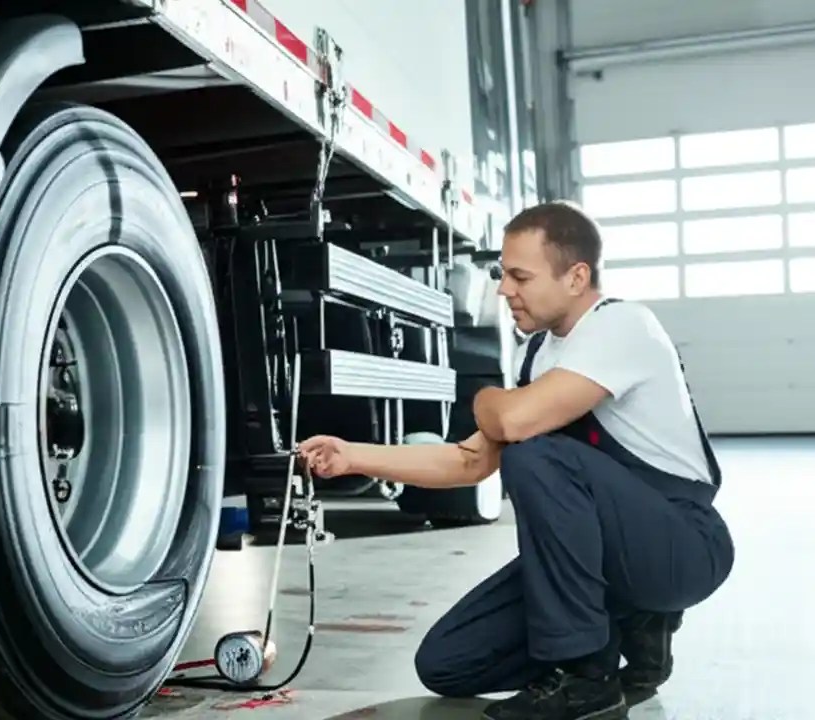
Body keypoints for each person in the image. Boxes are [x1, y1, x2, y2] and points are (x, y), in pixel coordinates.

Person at [298, 201, 735, 720]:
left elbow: (510, 425)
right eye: (504, 275)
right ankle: (636, 626)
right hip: (608, 552)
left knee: (534, 454)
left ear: (576, 277)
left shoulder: (623, 326)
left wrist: (485, 399)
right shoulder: (540, 355)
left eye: (519, 276)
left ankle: (586, 677)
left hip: (681, 547)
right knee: (446, 664)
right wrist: (352, 457)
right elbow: (468, 463)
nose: (505, 289)